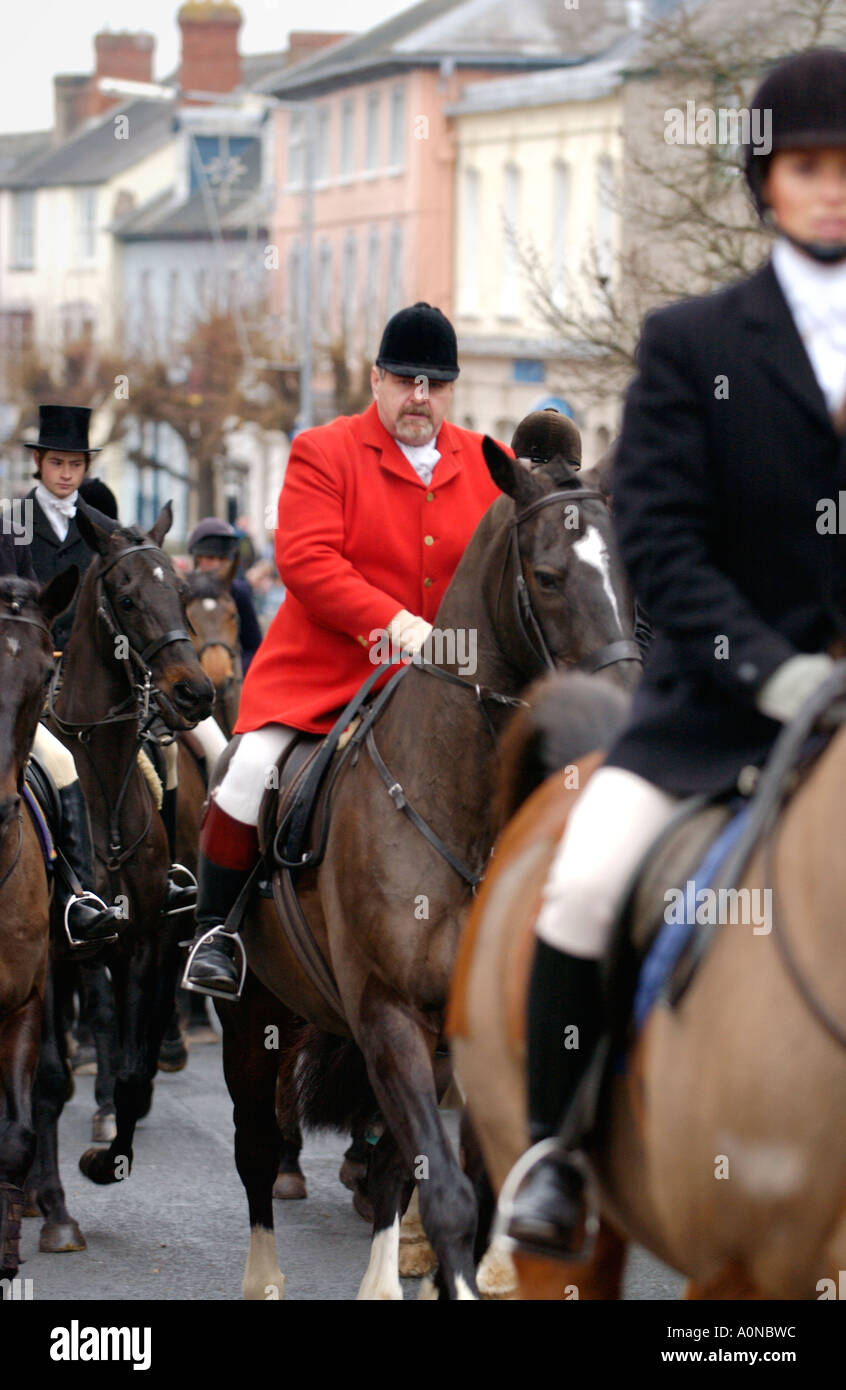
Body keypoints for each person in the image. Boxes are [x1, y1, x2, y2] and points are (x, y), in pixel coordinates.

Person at [504, 47, 846, 1257]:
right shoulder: (694, 339)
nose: (834, 186)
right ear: (767, 182)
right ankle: (553, 1152)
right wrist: (773, 665)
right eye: (810, 165)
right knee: (586, 881)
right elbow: (659, 537)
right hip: (711, 714)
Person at [183, 302, 505, 996]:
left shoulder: (488, 462)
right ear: (376, 379)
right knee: (247, 774)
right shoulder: (323, 450)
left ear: (451, 389)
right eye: (405, 380)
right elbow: (308, 563)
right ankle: (218, 932)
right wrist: (400, 627)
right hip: (326, 678)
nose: (420, 397)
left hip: (452, 691)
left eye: (436, 384)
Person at [23, 404, 224, 917]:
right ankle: (66, 882)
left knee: (172, 753)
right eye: (56, 464)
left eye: (75, 465)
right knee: (50, 761)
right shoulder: (14, 522)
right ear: (39, 464)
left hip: (103, 667)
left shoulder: (106, 530)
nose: (66, 474)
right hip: (35, 661)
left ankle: (172, 873)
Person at [0, 526, 123, 947]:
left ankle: (77, 897)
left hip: (8, 687)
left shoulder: (8, 529)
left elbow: (34, 595)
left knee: (61, 761)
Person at [187, 517, 263, 671]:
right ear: (197, 559)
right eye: (210, 558)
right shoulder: (183, 592)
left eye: (222, 559)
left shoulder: (239, 593)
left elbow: (253, 647)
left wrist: (232, 670)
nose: (216, 565)